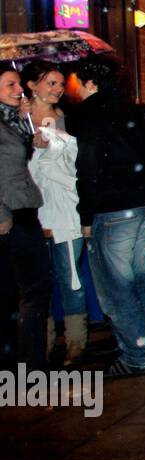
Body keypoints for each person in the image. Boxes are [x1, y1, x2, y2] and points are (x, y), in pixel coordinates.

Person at [65, 56, 145, 378]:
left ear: (91, 83)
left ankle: (137, 355)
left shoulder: (88, 116)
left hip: (110, 209)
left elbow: (89, 170)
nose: (75, 89)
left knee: (115, 288)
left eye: (77, 82)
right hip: (142, 205)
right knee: (137, 281)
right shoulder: (140, 112)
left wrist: (85, 214)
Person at [22, 61, 88, 365]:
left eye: (61, 84)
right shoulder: (16, 119)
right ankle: (41, 344)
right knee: (36, 281)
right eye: (51, 83)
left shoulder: (68, 120)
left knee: (69, 276)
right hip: (30, 208)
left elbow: (77, 165)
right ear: (33, 85)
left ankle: (75, 344)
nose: (58, 89)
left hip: (65, 206)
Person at [0, 68, 51, 371]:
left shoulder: (13, 118)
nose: (18, 88)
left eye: (18, 83)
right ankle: (22, 366)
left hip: (24, 210)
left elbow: (14, 159)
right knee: (21, 291)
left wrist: (30, 137)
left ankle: (29, 361)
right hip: (9, 214)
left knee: (33, 289)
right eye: (10, 84)